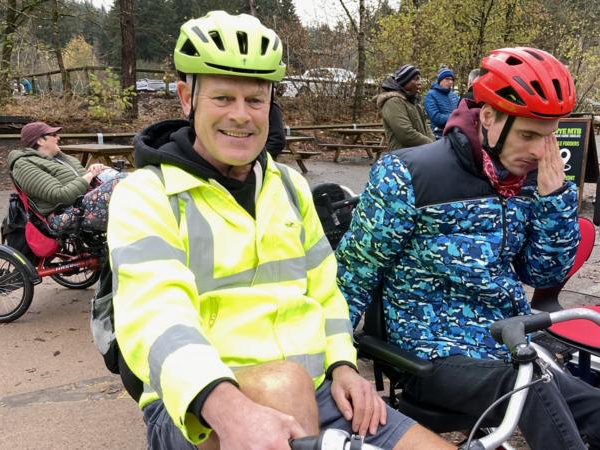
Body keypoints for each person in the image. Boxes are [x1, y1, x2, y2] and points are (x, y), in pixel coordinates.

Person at [106, 11, 452, 450]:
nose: (242, 116)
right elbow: (155, 315)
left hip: (320, 391)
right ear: (185, 97)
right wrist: (224, 403)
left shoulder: (288, 185)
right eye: (223, 98)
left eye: (255, 100)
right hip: (199, 406)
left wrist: (343, 365)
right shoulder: (146, 194)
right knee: (281, 384)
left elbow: (325, 292)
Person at [337, 47, 600, 450]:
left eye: (547, 138)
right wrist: (335, 365)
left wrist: (554, 201)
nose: (537, 151)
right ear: (489, 118)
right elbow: (353, 275)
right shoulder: (408, 174)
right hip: (428, 355)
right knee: (526, 389)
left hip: (507, 345)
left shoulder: (528, 179)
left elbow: (544, 276)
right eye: (528, 135)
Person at [9, 121, 127, 233]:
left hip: (84, 203)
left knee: (133, 178)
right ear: (40, 140)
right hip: (62, 216)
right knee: (119, 183)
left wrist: (97, 170)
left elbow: (82, 179)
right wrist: (90, 175)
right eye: (53, 135)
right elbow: (60, 195)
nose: (58, 138)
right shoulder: (23, 165)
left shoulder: (63, 158)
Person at [376, 64, 433, 151]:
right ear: (405, 81)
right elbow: (405, 133)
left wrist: (434, 144)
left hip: (420, 153)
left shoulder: (413, 102)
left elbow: (426, 126)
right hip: (404, 156)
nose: (420, 83)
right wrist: (431, 145)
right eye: (416, 79)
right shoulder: (393, 102)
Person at [424, 66, 460, 139]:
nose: (450, 82)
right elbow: (436, 118)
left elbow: (460, 112)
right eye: (447, 79)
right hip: (439, 135)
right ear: (440, 80)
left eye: (452, 79)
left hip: (455, 134)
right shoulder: (430, 95)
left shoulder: (454, 95)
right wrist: (455, 117)